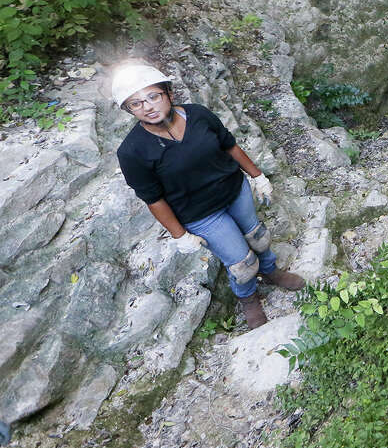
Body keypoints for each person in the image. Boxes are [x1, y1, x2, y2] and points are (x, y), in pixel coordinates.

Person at [112, 62, 304, 329]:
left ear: (168, 93)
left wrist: (257, 176)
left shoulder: (198, 115)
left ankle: (271, 271)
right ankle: (248, 298)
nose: (148, 106)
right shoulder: (132, 151)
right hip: (200, 214)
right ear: (129, 110)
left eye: (153, 96)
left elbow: (229, 146)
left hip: (234, 190)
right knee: (242, 263)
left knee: (258, 236)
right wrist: (179, 235)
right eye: (136, 103)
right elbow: (153, 199)